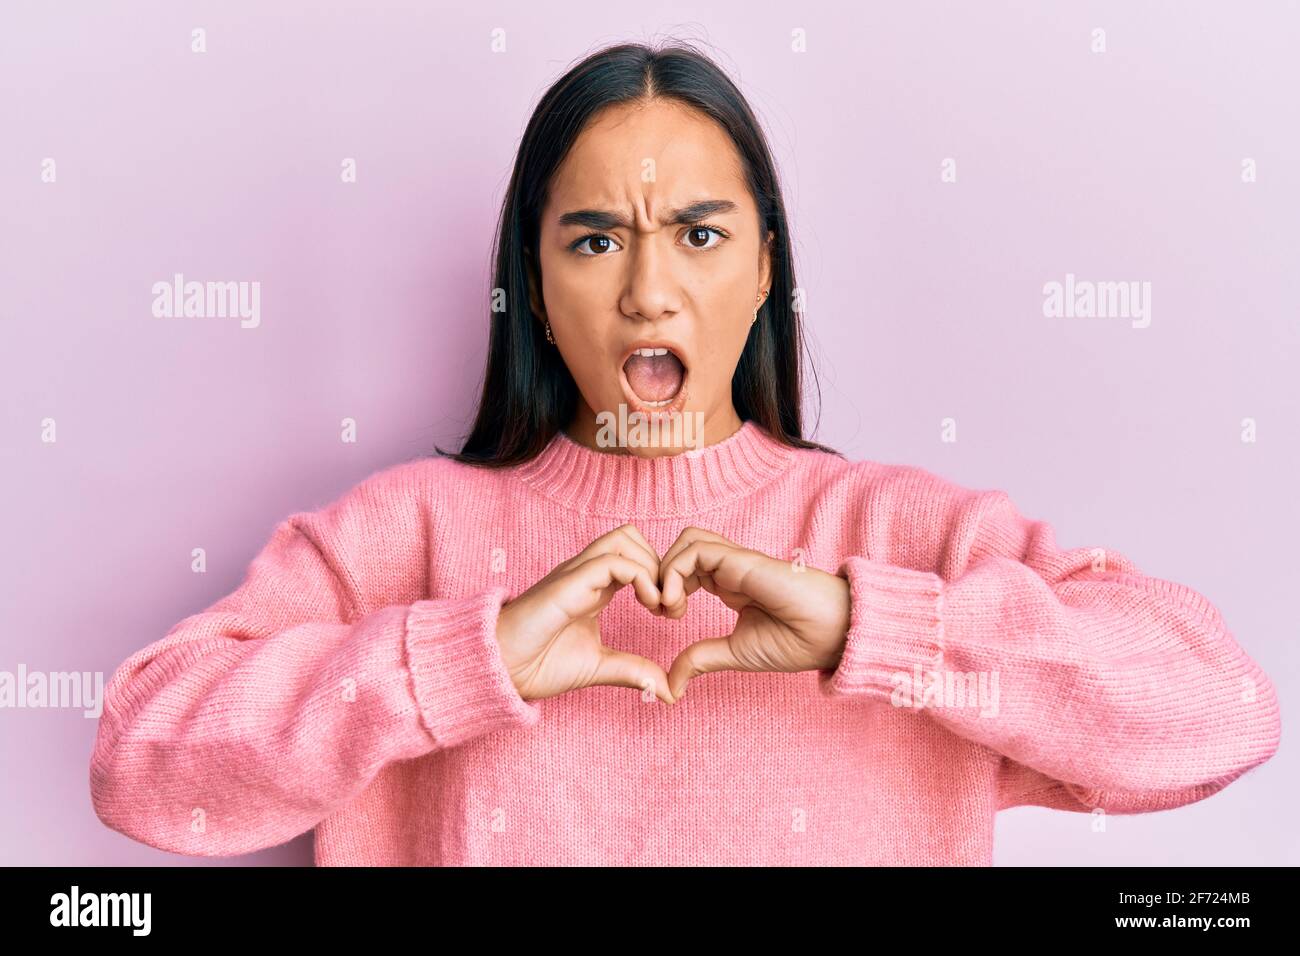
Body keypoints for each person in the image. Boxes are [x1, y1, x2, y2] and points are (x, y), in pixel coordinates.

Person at [89, 40, 1281, 866]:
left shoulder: (906, 537)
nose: (649, 292)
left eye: (699, 234)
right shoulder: (402, 536)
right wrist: (461, 660)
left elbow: (1219, 710)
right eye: (596, 238)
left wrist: (882, 631)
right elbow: (138, 764)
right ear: (532, 281)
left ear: (764, 267)